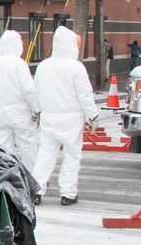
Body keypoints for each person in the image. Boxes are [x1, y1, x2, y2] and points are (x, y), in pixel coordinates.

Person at [31, 26, 98, 206]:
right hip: (71, 119)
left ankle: (36, 191)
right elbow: (85, 95)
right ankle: (68, 194)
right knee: (72, 155)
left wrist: (36, 112)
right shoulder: (77, 68)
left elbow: (36, 91)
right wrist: (92, 116)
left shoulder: (44, 66)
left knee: (45, 154)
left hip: (49, 118)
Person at [0, 30, 41, 171]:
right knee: (28, 145)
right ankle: (31, 176)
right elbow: (28, 90)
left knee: (4, 146)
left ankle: (5, 174)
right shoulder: (19, 64)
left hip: (0, 112)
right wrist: (37, 109)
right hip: (20, 112)